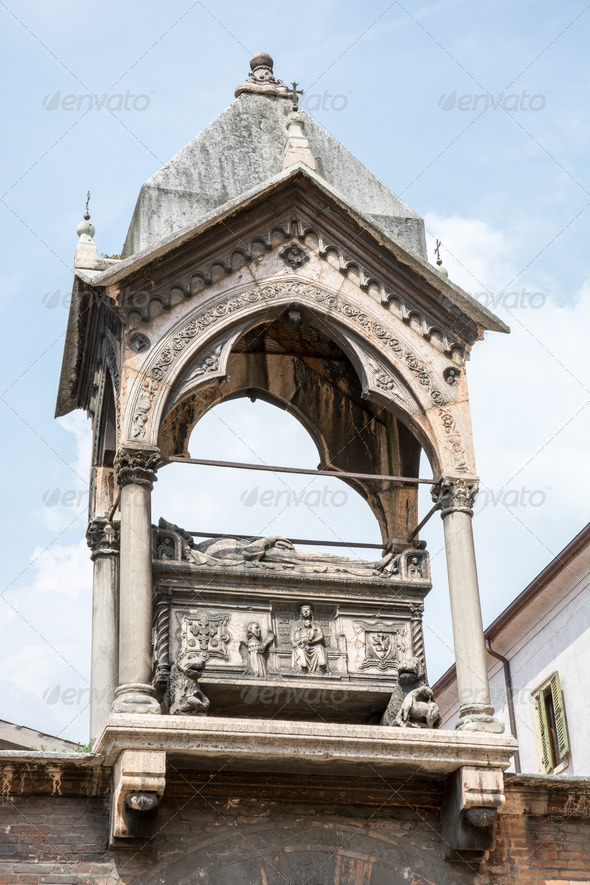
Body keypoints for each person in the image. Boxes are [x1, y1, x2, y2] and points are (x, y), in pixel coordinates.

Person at [291, 605, 328, 673]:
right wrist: (299, 643)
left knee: (319, 648)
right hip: (301, 645)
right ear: (301, 613)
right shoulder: (296, 624)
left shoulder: (316, 624)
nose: (305, 611)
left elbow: (320, 636)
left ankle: (321, 667)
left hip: (314, 644)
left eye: (307, 610)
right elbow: (292, 637)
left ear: (311, 612)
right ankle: (303, 668)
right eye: (303, 610)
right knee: (301, 650)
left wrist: (312, 642)